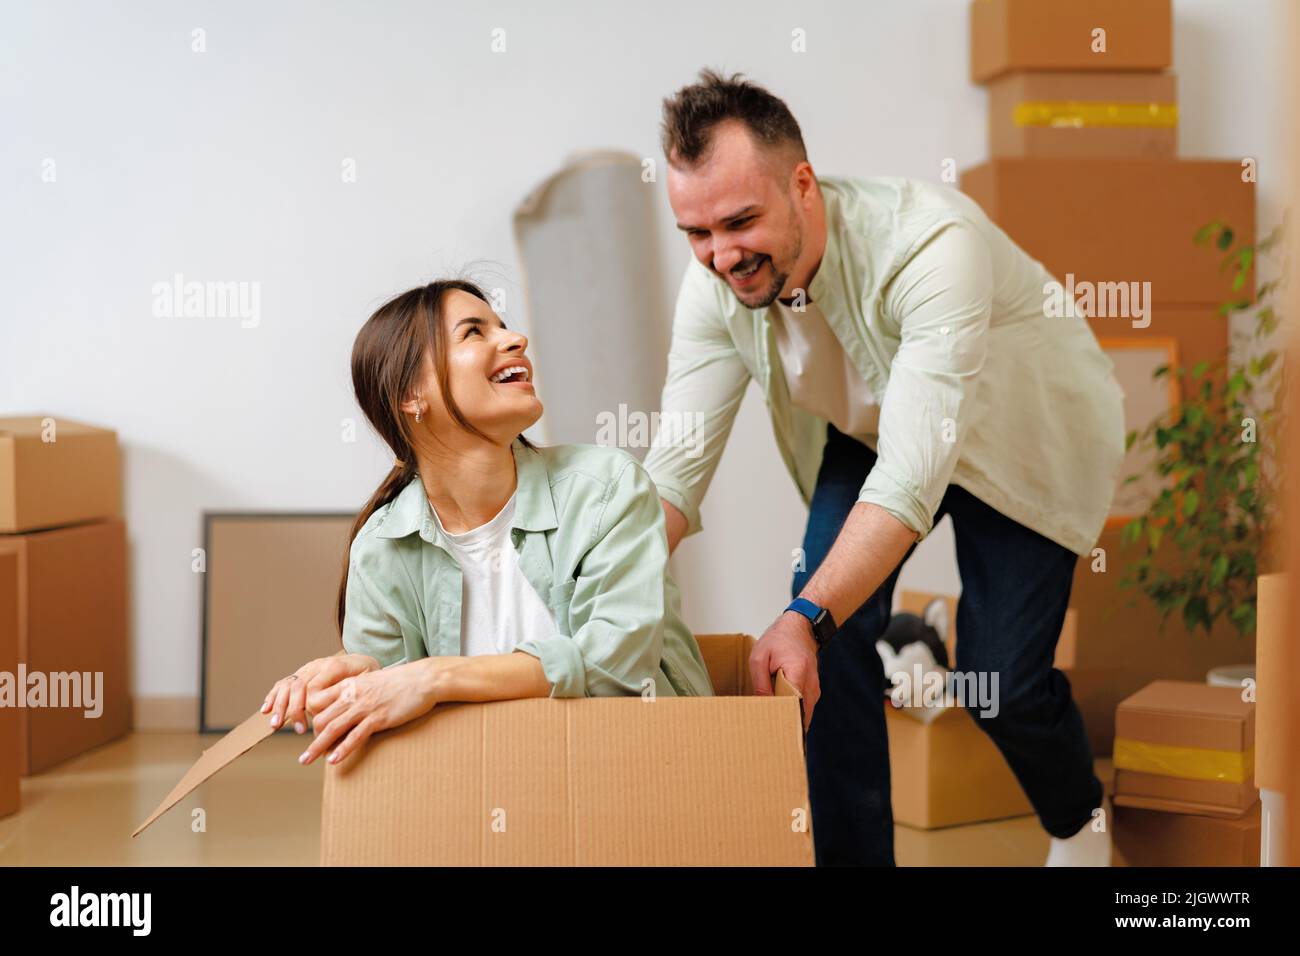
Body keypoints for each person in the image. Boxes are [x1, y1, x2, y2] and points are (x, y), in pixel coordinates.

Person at [642, 70, 1126, 867]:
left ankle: (1078, 822)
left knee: (999, 681)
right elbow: (675, 470)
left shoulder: (932, 245)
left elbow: (910, 480)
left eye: (739, 221)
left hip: (1020, 434)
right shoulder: (717, 284)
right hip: (870, 430)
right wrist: (593, 594)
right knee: (821, 648)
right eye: (695, 232)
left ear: (802, 184)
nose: (721, 256)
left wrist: (801, 616)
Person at [262, 278, 713, 767]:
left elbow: (619, 666)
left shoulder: (607, 486)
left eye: (503, 326)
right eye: (474, 333)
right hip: (489, 785)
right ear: (411, 395)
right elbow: (393, 721)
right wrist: (361, 673)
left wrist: (435, 677)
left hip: (646, 767)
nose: (514, 339)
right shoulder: (382, 545)